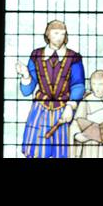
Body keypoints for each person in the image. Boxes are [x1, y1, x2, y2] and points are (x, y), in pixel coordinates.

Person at [16, 19, 85, 158]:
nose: (59, 37)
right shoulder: (36, 56)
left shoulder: (74, 58)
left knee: (63, 152)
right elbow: (27, 90)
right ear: (48, 34)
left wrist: (70, 107)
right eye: (56, 33)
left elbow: (78, 85)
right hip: (40, 110)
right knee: (36, 152)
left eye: (62, 34)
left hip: (64, 110)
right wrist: (25, 75)